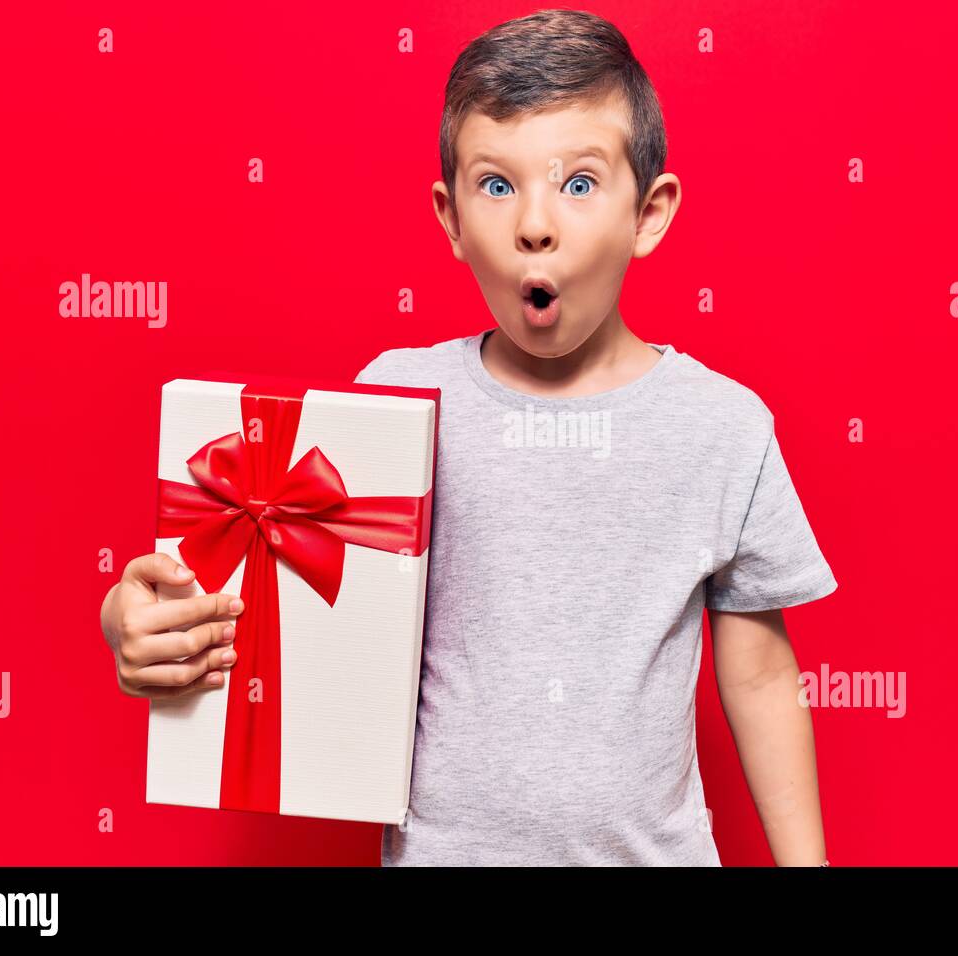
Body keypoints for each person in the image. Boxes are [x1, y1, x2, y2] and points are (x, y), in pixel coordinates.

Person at [101, 8, 838, 866]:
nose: (535, 224)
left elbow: (758, 678)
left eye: (578, 182)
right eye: (497, 185)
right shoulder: (395, 401)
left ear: (651, 211)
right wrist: (130, 619)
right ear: (451, 219)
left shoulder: (723, 429)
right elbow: (268, 579)